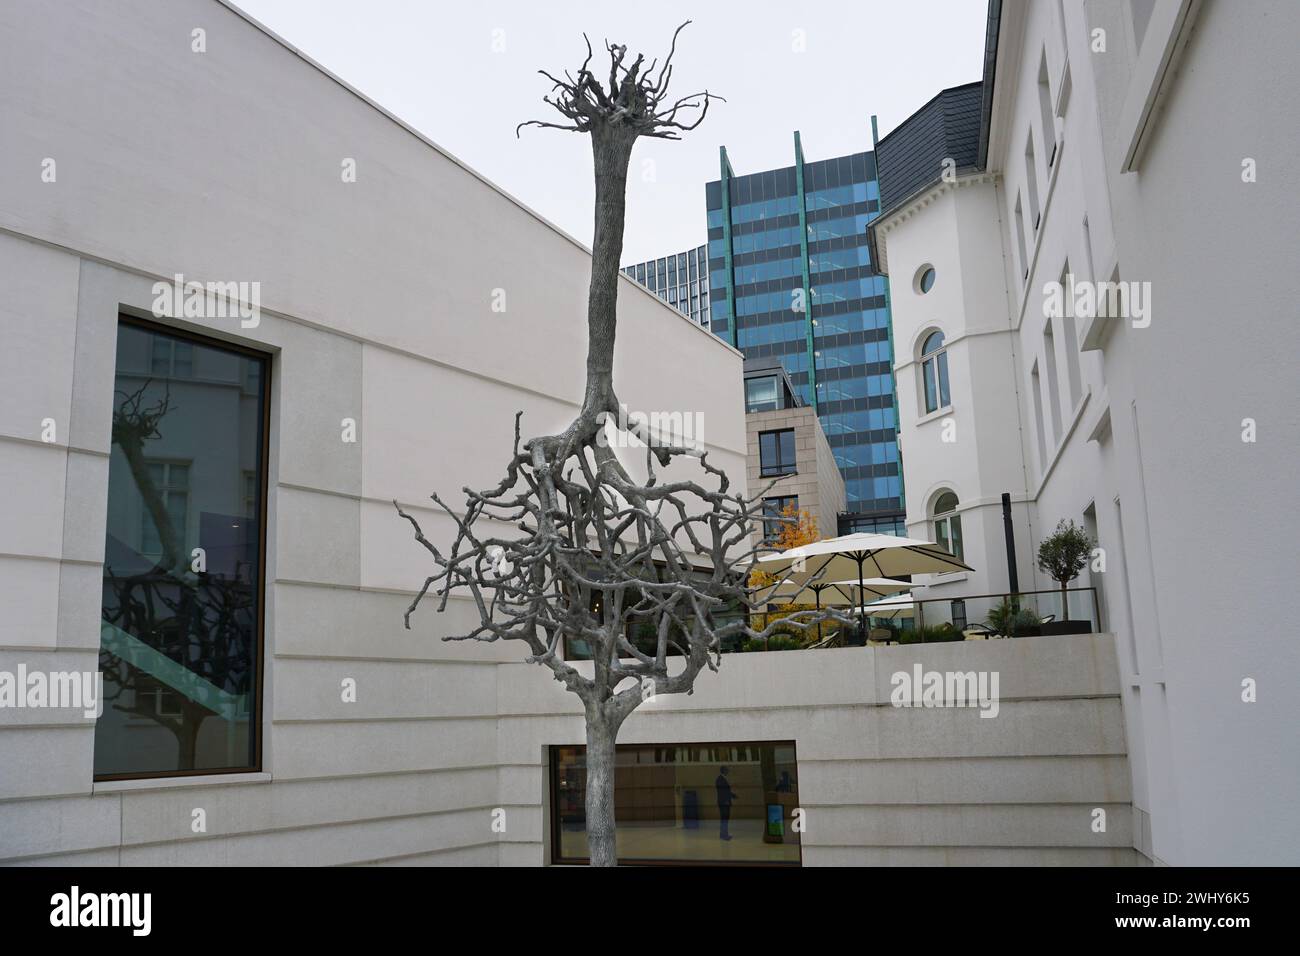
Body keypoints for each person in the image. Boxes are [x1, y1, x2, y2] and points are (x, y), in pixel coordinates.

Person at [715, 766, 736, 841]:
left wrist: (733, 795)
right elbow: (723, 792)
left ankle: (723, 834)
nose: (728, 771)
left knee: (724, 819)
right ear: (723, 771)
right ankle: (724, 835)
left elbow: (726, 791)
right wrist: (729, 798)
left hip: (724, 802)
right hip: (724, 802)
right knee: (724, 819)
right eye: (727, 770)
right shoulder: (720, 780)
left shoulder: (721, 779)